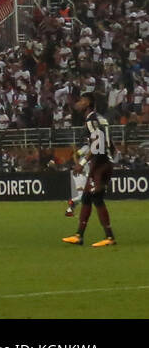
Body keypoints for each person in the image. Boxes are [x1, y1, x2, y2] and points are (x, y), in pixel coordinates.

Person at [63, 93, 117, 246]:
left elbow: (98, 142)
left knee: (97, 199)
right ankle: (79, 236)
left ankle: (109, 238)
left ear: (87, 103)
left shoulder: (90, 119)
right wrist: (112, 157)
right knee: (87, 198)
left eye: (80, 100)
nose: (78, 103)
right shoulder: (101, 118)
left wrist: (82, 162)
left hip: (100, 163)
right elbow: (109, 142)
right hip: (105, 161)